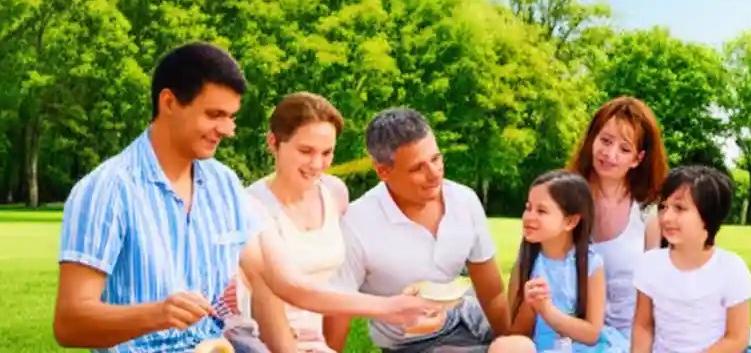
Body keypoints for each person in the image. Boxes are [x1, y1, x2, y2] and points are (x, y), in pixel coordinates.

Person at [53, 42, 432, 353]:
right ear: (169, 103)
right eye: (215, 114)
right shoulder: (107, 190)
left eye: (231, 116)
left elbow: (286, 284)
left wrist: (389, 307)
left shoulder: (222, 185)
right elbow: (70, 323)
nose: (228, 130)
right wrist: (158, 313)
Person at [323, 107, 518, 353]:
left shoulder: (464, 200)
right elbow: (339, 309)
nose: (434, 174)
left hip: (471, 319)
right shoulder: (356, 224)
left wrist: (505, 340)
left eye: (436, 159)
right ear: (384, 171)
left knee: (523, 345)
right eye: (418, 168)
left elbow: (491, 293)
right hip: (415, 343)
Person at [221, 92, 352, 353]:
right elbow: (268, 303)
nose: (317, 164)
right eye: (306, 151)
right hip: (259, 342)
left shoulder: (335, 193)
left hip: (313, 343)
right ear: (274, 142)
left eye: (327, 153)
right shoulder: (251, 208)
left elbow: (334, 284)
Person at [630, 166, 751, 353]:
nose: (666, 217)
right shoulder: (650, 264)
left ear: (708, 216)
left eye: (680, 208)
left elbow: (737, 337)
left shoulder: (731, 269)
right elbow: (643, 326)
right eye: (663, 207)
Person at [566, 97, 668, 338]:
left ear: (637, 159)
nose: (610, 154)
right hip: (573, 335)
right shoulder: (564, 199)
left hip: (630, 336)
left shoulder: (648, 212)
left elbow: (654, 291)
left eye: (624, 149)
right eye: (605, 141)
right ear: (592, 139)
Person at [501, 170, 628, 353]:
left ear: (570, 222)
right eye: (528, 208)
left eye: (541, 211)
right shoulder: (526, 263)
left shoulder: (591, 265)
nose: (529, 217)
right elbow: (516, 333)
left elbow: (592, 334)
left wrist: (548, 311)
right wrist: (531, 306)